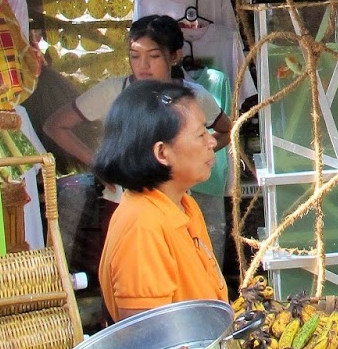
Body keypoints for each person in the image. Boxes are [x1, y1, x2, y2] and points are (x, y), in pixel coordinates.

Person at [44, 15, 232, 262]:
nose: (143, 65)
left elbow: (228, 130)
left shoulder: (192, 96)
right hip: (123, 208)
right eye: (135, 56)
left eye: (153, 56)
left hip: (179, 207)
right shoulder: (112, 92)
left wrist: (191, 156)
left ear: (174, 56)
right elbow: (55, 125)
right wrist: (99, 164)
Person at [94, 81, 228, 320]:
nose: (212, 141)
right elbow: (150, 343)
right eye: (200, 134)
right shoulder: (142, 226)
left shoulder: (184, 204)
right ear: (162, 153)